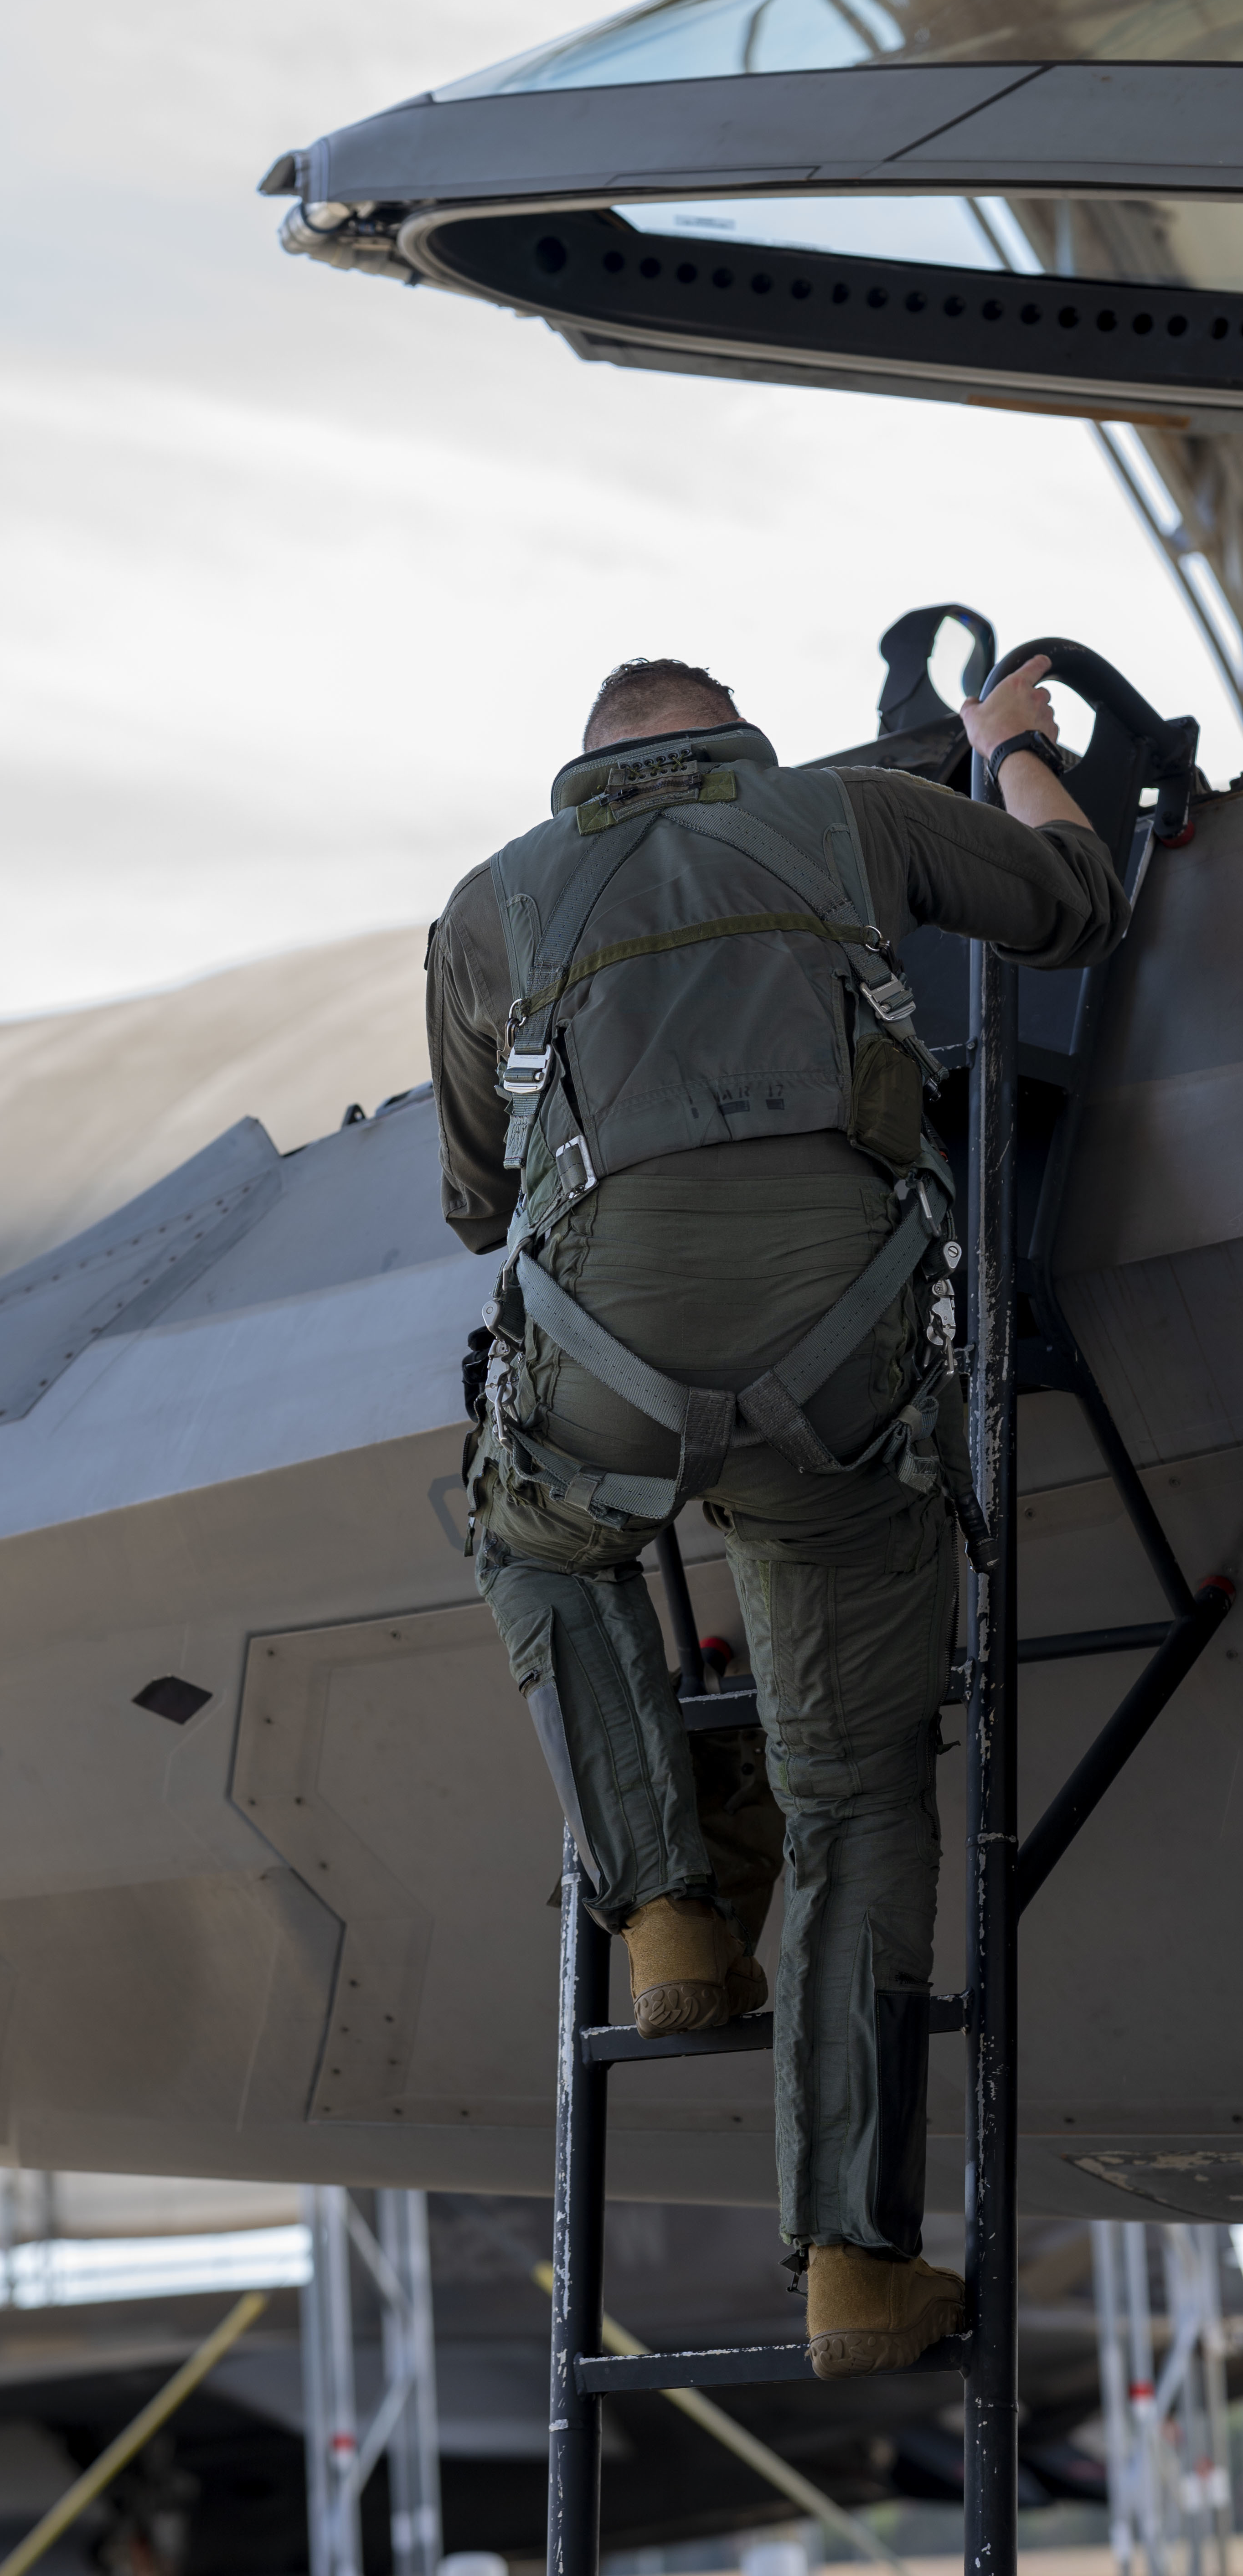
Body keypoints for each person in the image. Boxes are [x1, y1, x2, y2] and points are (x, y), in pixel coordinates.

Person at [426, 651, 1128, 2380]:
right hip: (846, 1366)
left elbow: (470, 1200)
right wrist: (1014, 751)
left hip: (615, 1364)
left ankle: (661, 1909)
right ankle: (854, 2272)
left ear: (586, 768)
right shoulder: (852, 814)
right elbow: (1076, 907)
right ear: (730, 731)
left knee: (528, 1535)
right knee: (853, 1795)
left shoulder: (484, 908)